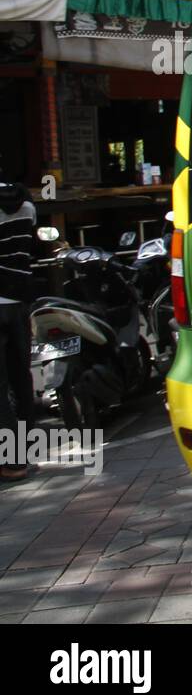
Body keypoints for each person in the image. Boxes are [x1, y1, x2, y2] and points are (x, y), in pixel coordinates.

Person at [0, 176, 36, 482]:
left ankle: (12, 463)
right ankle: (25, 454)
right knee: (22, 381)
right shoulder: (26, 205)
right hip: (19, 302)